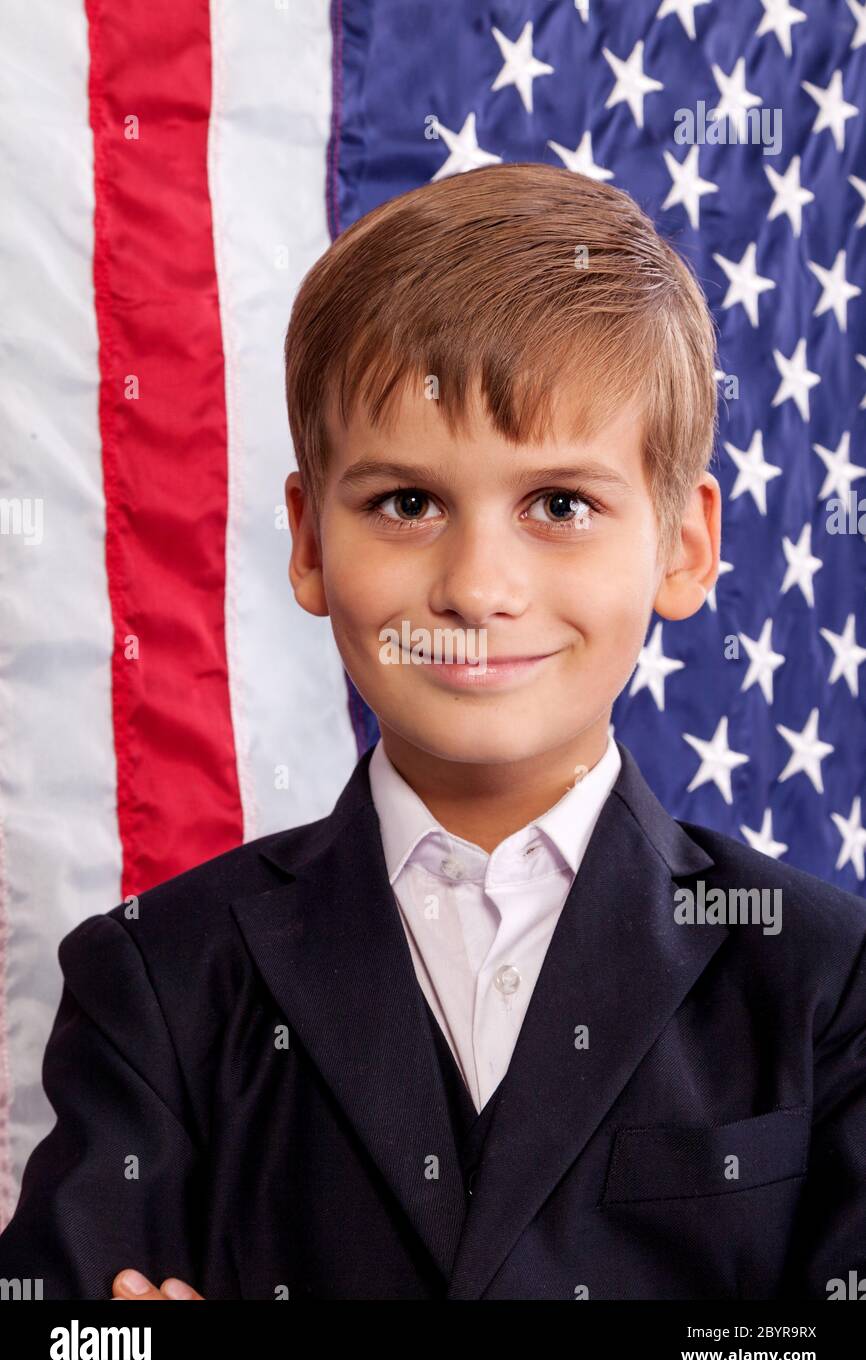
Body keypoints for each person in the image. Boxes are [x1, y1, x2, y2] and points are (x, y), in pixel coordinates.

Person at [1, 163, 864, 1301]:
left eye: (559, 505)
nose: (475, 587)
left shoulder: (820, 977)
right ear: (307, 541)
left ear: (681, 545)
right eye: (406, 503)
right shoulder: (158, 977)